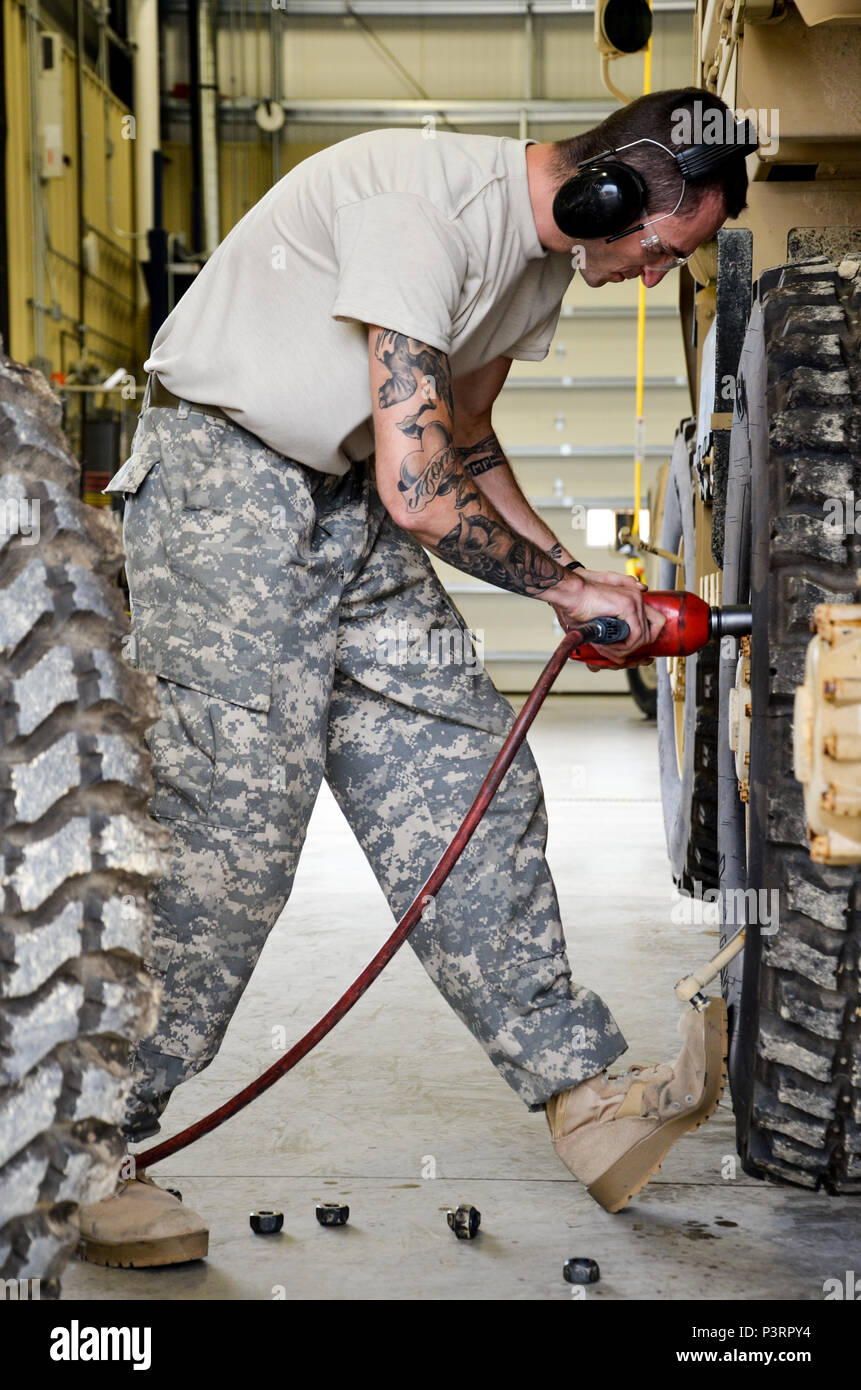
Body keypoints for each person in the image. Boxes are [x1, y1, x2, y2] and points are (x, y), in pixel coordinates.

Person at [79, 87, 748, 1268]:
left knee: (471, 779)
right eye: (661, 246)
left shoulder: (541, 269)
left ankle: (579, 1091)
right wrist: (559, 594)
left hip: (344, 509)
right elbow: (423, 492)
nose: (654, 274)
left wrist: (574, 571)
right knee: (229, 841)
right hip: (227, 488)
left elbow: (467, 437)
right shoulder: (421, 211)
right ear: (610, 191)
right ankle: (80, 1153)